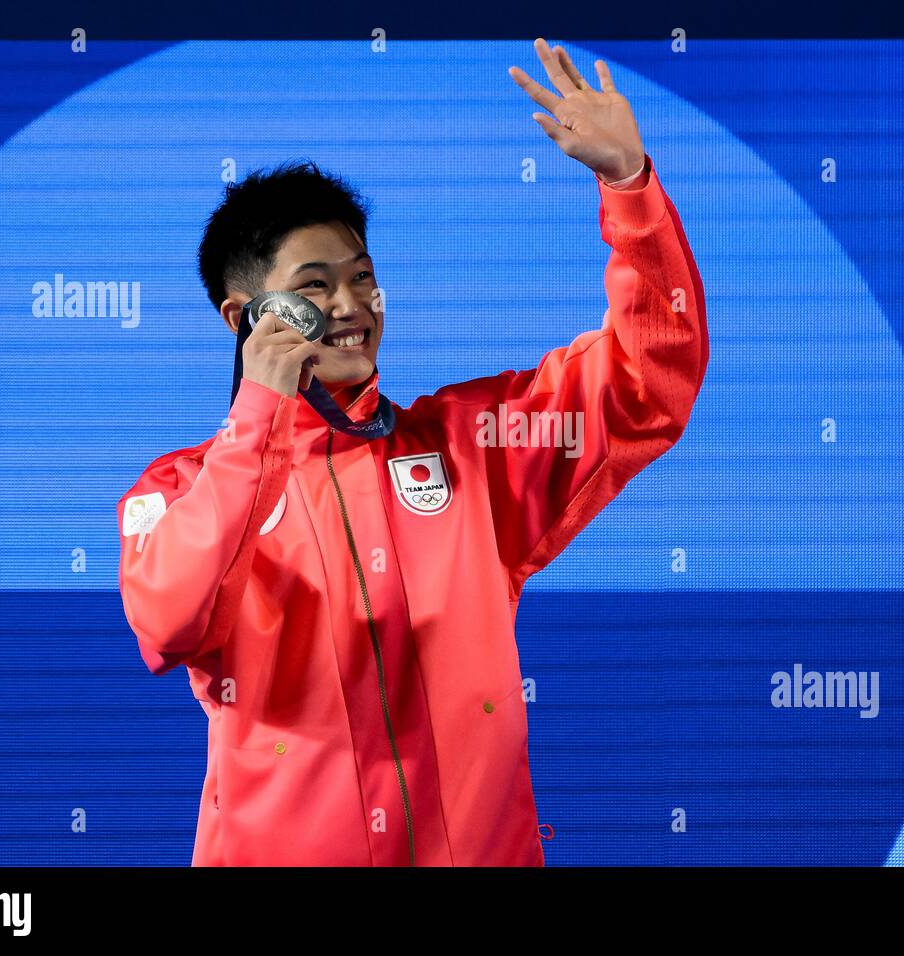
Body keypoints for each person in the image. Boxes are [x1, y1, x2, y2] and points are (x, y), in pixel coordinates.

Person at [117, 37, 708, 866]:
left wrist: (629, 186)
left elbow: (651, 380)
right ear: (244, 317)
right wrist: (258, 421)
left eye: (362, 277)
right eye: (316, 286)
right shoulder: (178, 489)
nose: (351, 304)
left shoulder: (477, 444)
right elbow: (171, 623)